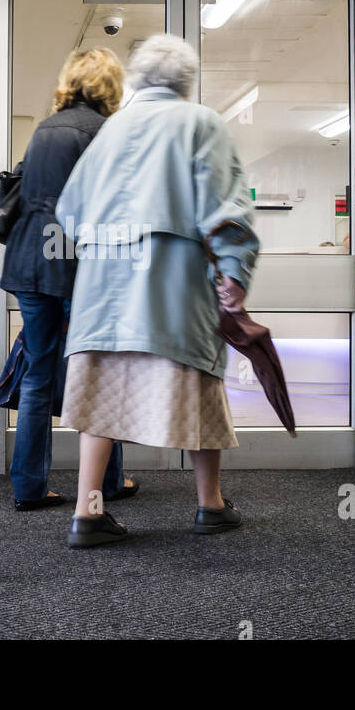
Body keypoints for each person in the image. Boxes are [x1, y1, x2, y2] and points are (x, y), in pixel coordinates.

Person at [55, 34, 259, 548]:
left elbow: (69, 213)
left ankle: (88, 511)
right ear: (187, 81)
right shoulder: (201, 123)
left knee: (98, 391)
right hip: (173, 284)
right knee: (199, 386)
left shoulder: (109, 129)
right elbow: (225, 206)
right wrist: (233, 272)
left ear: (138, 80)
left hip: (103, 289)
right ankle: (210, 505)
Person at [0, 48, 136, 511]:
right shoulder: (106, 132)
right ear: (110, 85)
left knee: (39, 375)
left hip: (29, 264)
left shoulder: (44, 129)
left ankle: (29, 487)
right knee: (99, 372)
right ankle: (107, 483)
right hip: (79, 266)